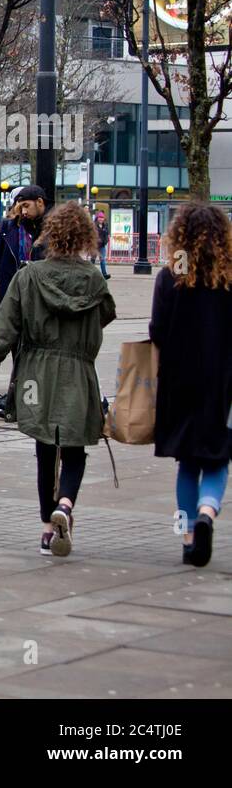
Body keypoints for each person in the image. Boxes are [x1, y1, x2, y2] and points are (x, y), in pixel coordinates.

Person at [0, 204, 115, 557]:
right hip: (79, 370)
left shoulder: (28, 278)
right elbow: (106, 314)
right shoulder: (94, 279)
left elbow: (4, 333)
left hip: (37, 372)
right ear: (84, 238)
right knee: (75, 446)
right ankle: (65, 504)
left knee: (45, 448)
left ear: (51, 235)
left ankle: (48, 529)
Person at [150, 203, 232, 567]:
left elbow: (157, 330)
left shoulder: (172, 276)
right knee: (216, 457)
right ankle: (207, 513)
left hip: (178, 380)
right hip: (222, 380)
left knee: (187, 463)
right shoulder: (230, 275)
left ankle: (186, 537)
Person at [0, 184, 49, 419]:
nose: (23, 211)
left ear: (40, 202)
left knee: (31, 355)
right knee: (17, 351)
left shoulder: (49, 230)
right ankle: (14, 402)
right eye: (19, 206)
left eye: (27, 205)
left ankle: (17, 402)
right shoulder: (9, 227)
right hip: (12, 298)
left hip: (39, 302)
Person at [93, 209, 110, 278]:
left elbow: (107, 234)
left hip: (102, 246)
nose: (101, 219)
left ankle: (104, 274)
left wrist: (106, 240)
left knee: (102, 260)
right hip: (94, 245)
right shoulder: (94, 226)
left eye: (102, 218)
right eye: (100, 217)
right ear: (97, 218)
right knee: (92, 260)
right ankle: (90, 274)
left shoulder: (105, 226)